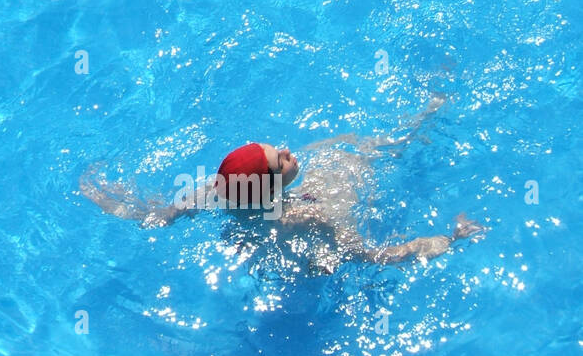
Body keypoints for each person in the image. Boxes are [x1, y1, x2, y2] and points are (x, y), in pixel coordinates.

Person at [80, 96, 487, 270]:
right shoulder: (305, 216)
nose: (290, 151)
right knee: (387, 144)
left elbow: (158, 216)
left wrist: (107, 199)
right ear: (273, 187)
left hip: (269, 227)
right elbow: (370, 255)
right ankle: (427, 116)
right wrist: (450, 239)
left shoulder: (211, 191)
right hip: (343, 186)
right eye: (282, 160)